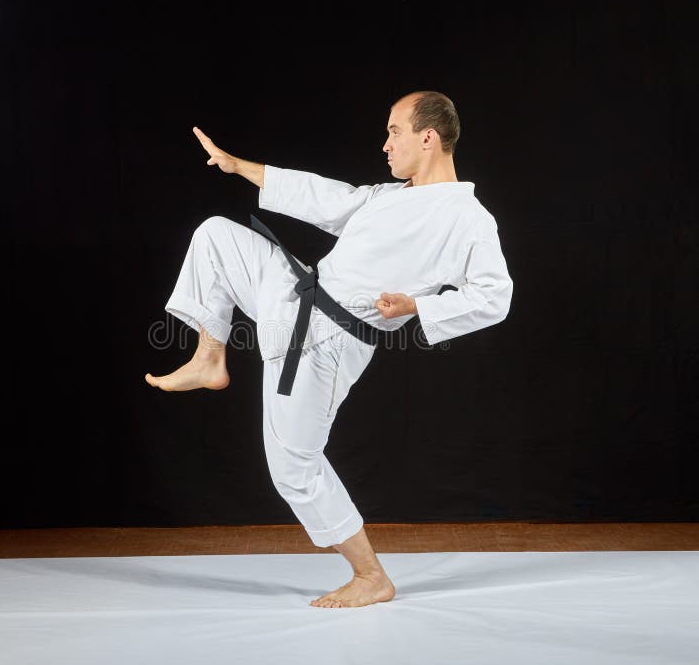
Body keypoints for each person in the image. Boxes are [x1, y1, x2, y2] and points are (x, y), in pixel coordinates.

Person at [145, 90, 513, 609]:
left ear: (428, 138)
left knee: (293, 467)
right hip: (297, 293)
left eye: (394, 131)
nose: (386, 144)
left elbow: (495, 296)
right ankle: (210, 356)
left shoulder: (468, 219)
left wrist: (416, 306)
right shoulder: (389, 195)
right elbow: (325, 196)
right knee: (215, 237)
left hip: (331, 341)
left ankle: (370, 577)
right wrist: (236, 166)